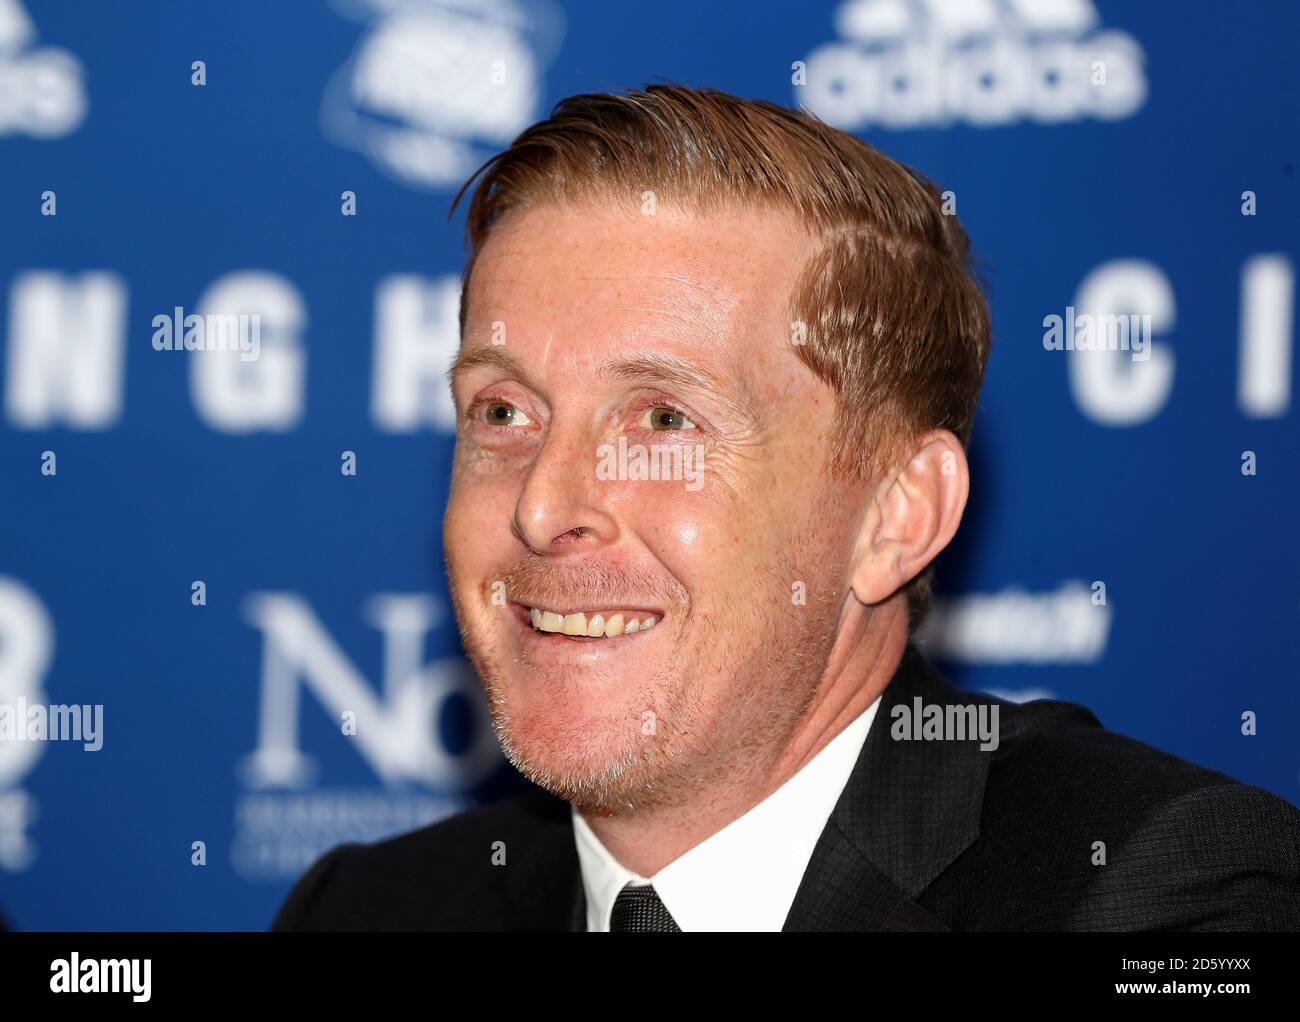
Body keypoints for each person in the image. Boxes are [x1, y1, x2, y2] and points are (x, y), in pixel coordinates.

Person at [272, 85, 1300, 932]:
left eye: (664, 417)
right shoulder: (366, 911)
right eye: (502, 409)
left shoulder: (1153, 894)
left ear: (896, 513)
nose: (545, 503)